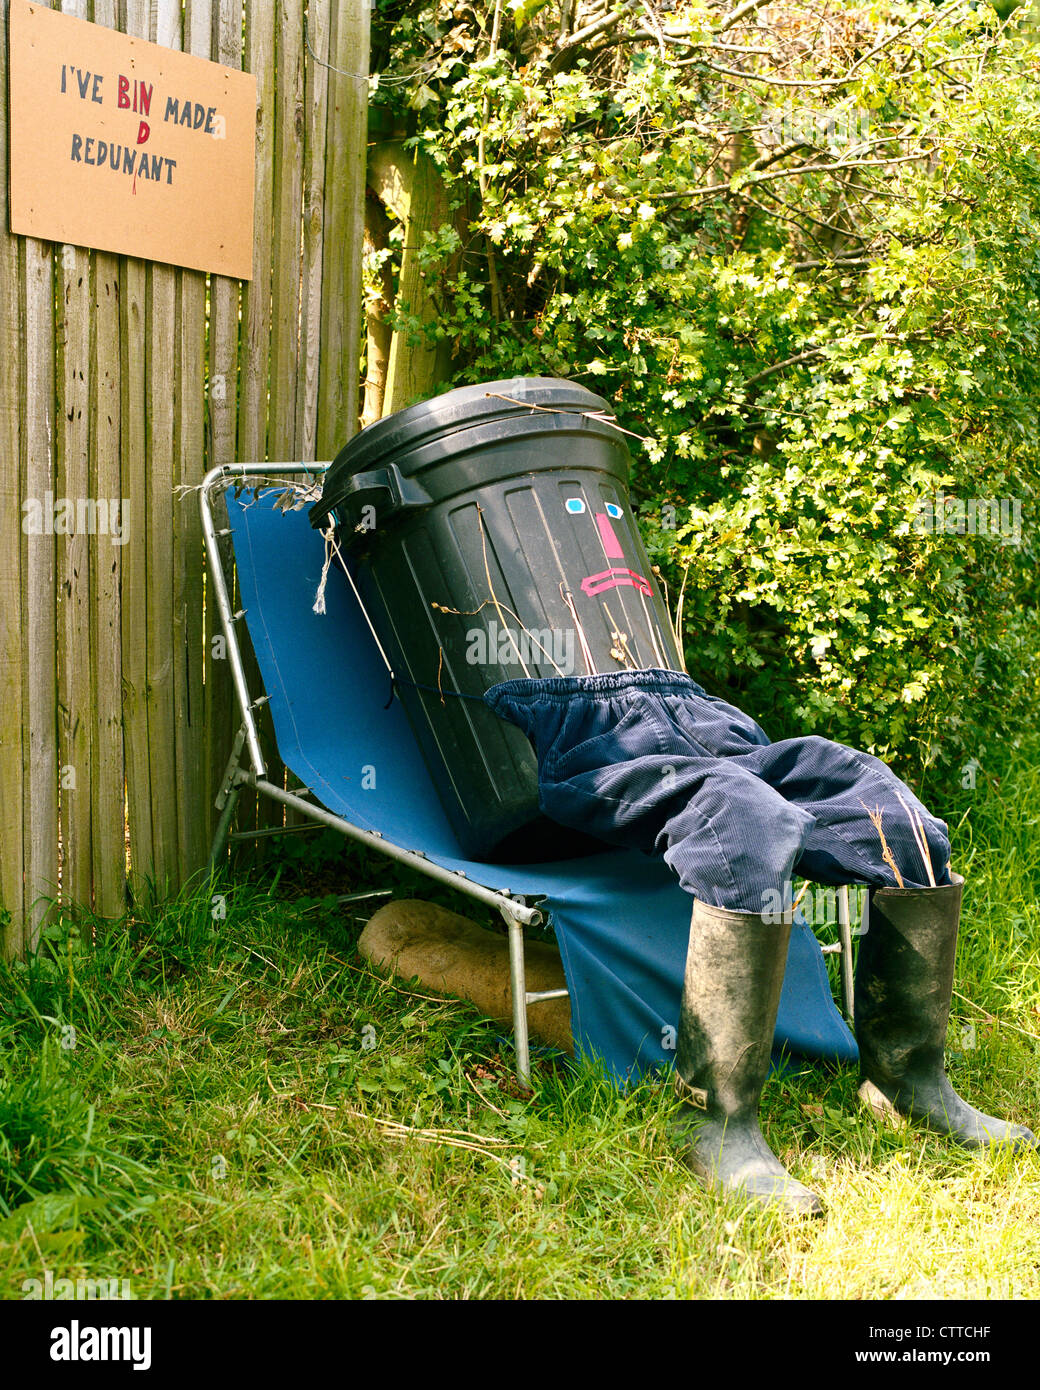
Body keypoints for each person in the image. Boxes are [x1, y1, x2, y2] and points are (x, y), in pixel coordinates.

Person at [485, 667, 1039, 1217]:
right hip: (582, 726)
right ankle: (715, 1118)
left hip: (694, 708)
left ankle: (906, 1081)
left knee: (900, 822)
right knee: (745, 821)